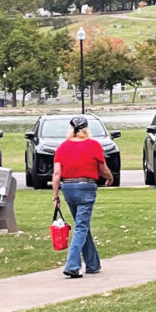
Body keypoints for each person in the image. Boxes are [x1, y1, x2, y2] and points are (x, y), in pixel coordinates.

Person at [52, 115, 113, 278]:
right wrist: (110, 177)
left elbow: (57, 174)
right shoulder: (93, 145)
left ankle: (93, 264)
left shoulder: (62, 147)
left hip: (68, 188)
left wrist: (55, 195)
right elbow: (103, 168)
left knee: (82, 225)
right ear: (86, 129)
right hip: (86, 187)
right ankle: (72, 265)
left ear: (71, 129)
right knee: (81, 226)